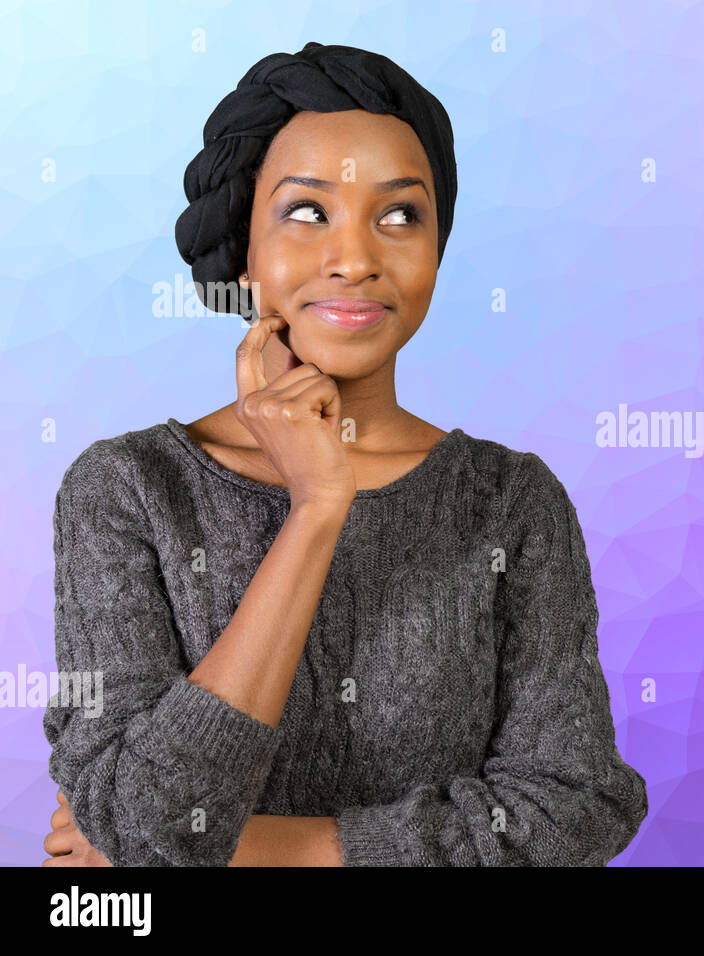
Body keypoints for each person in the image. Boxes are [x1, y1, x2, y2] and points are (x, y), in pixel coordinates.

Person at [40, 42, 648, 867]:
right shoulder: (127, 490)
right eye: (307, 211)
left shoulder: (511, 501)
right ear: (244, 252)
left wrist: (263, 851)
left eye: (401, 215)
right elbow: (148, 821)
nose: (357, 258)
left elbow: (573, 805)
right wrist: (317, 508)